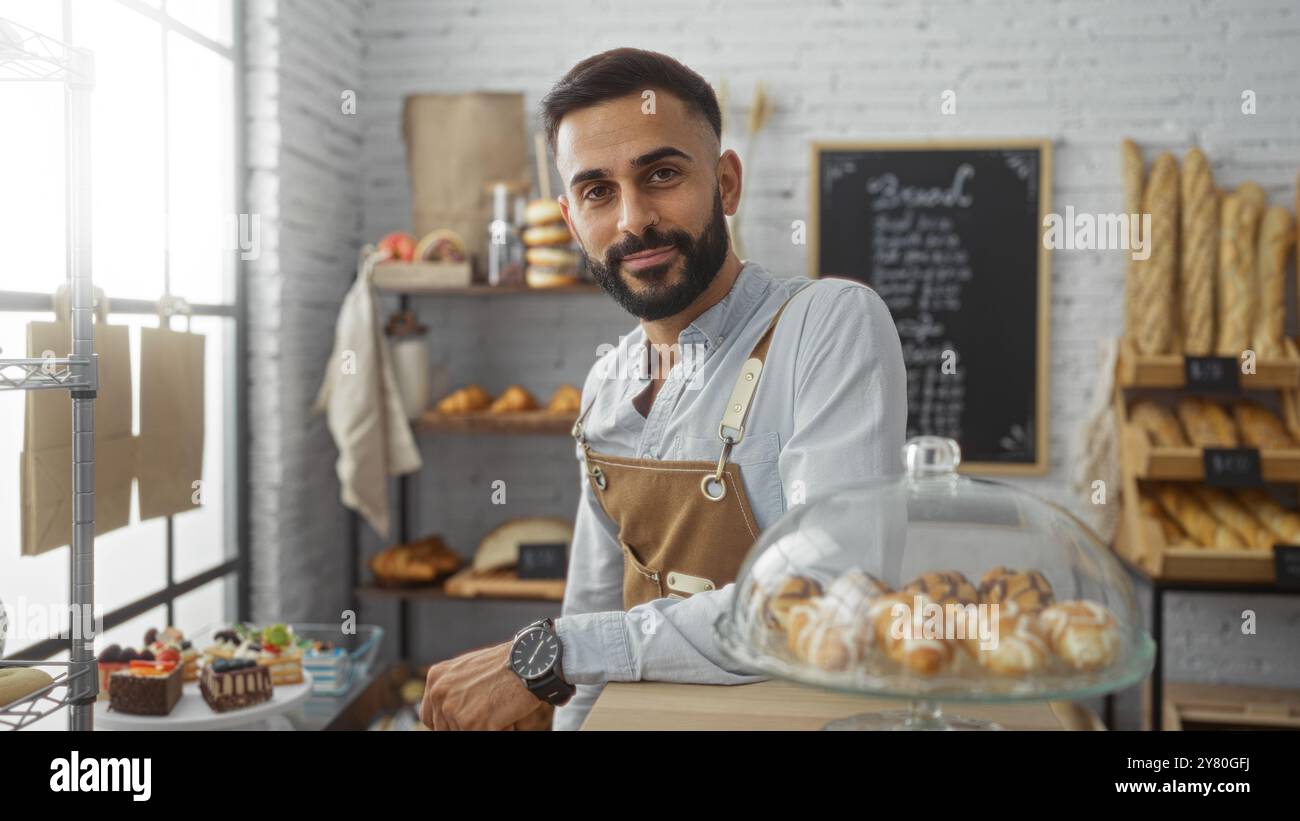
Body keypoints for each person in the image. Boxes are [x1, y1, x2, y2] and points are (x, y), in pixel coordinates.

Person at [420, 47, 906, 731]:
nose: (633, 220)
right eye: (597, 191)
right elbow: (590, 612)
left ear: (726, 182)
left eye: (662, 173)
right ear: (570, 222)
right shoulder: (604, 384)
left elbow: (825, 596)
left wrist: (559, 652)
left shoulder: (827, 325)